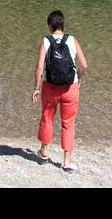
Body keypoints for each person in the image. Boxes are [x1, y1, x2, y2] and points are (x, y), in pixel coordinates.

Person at [32, 9, 88, 170]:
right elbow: (84, 65)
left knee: (47, 118)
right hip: (70, 87)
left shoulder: (46, 41)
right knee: (68, 123)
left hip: (50, 87)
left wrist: (36, 87)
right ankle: (67, 161)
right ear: (62, 25)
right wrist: (78, 78)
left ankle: (43, 154)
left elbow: (39, 68)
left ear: (50, 26)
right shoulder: (72, 40)